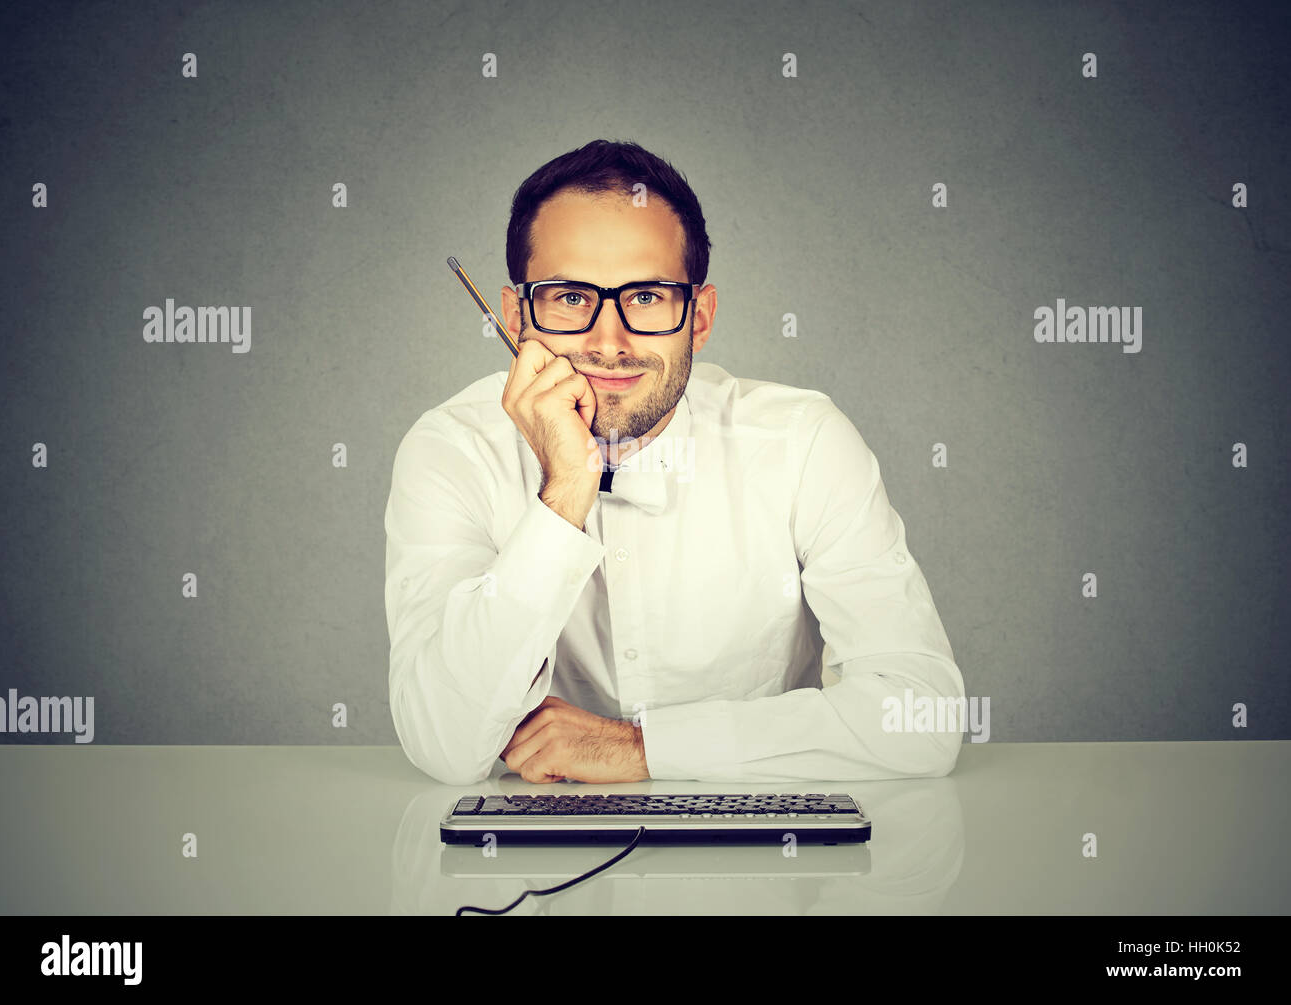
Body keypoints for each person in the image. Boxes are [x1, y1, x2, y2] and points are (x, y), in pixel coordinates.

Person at [385, 139, 966, 785]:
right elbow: (445, 744)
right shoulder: (450, 449)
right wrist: (566, 489)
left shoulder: (804, 442)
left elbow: (925, 716)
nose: (609, 342)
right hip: (527, 874)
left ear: (701, 316)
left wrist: (642, 748)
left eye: (648, 297)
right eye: (572, 298)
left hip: (763, 868)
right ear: (519, 315)